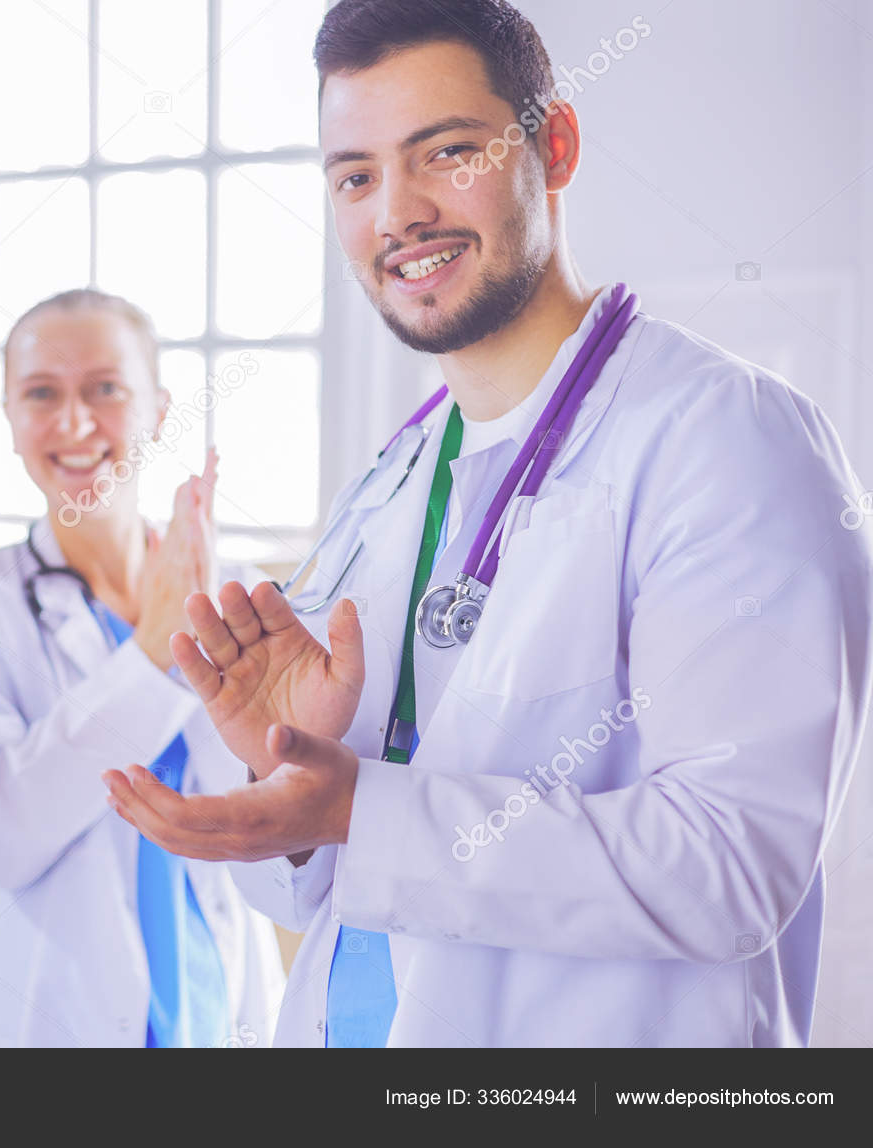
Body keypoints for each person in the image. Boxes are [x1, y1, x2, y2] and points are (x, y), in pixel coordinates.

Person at [103, 0, 873, 1048]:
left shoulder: (721, 438)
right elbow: (323, 895)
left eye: (449, 151)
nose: (398, 213)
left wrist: (357, 810)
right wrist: (293, 768)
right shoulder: (395, 475)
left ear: (551, 145)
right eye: (356, 176)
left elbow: (730, 866)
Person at [0, 289, 285, 1047]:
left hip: (219, 1013)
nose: (74, 422)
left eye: (106, 389)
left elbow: (279, 832)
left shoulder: (238, 589)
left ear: (157, 408)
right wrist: (152, 656)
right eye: (41, 393)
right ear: (11, 419)